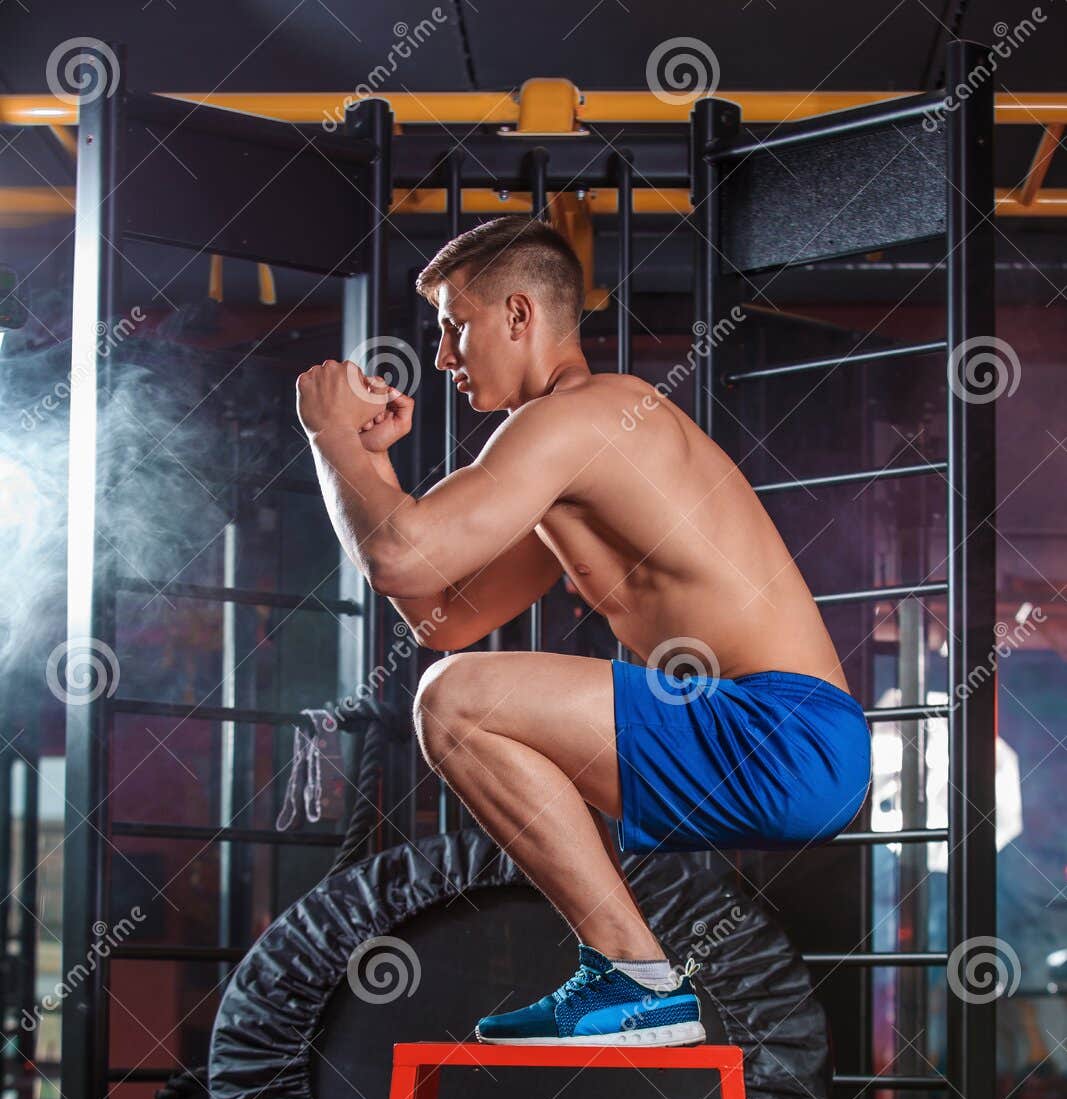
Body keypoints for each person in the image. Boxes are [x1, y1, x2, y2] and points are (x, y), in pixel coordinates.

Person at [295, 214, 871, 1047]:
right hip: (774, 744)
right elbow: (439, 615)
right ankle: (626, 979)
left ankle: (632, 977)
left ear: (519, 315)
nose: (443, 357)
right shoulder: (570, 464)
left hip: (781, 733)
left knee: (452, 702)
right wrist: (368, 463)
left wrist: (328, 438)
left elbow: (399, 560)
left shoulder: (586, 417)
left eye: (457, 326)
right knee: (453, 695)